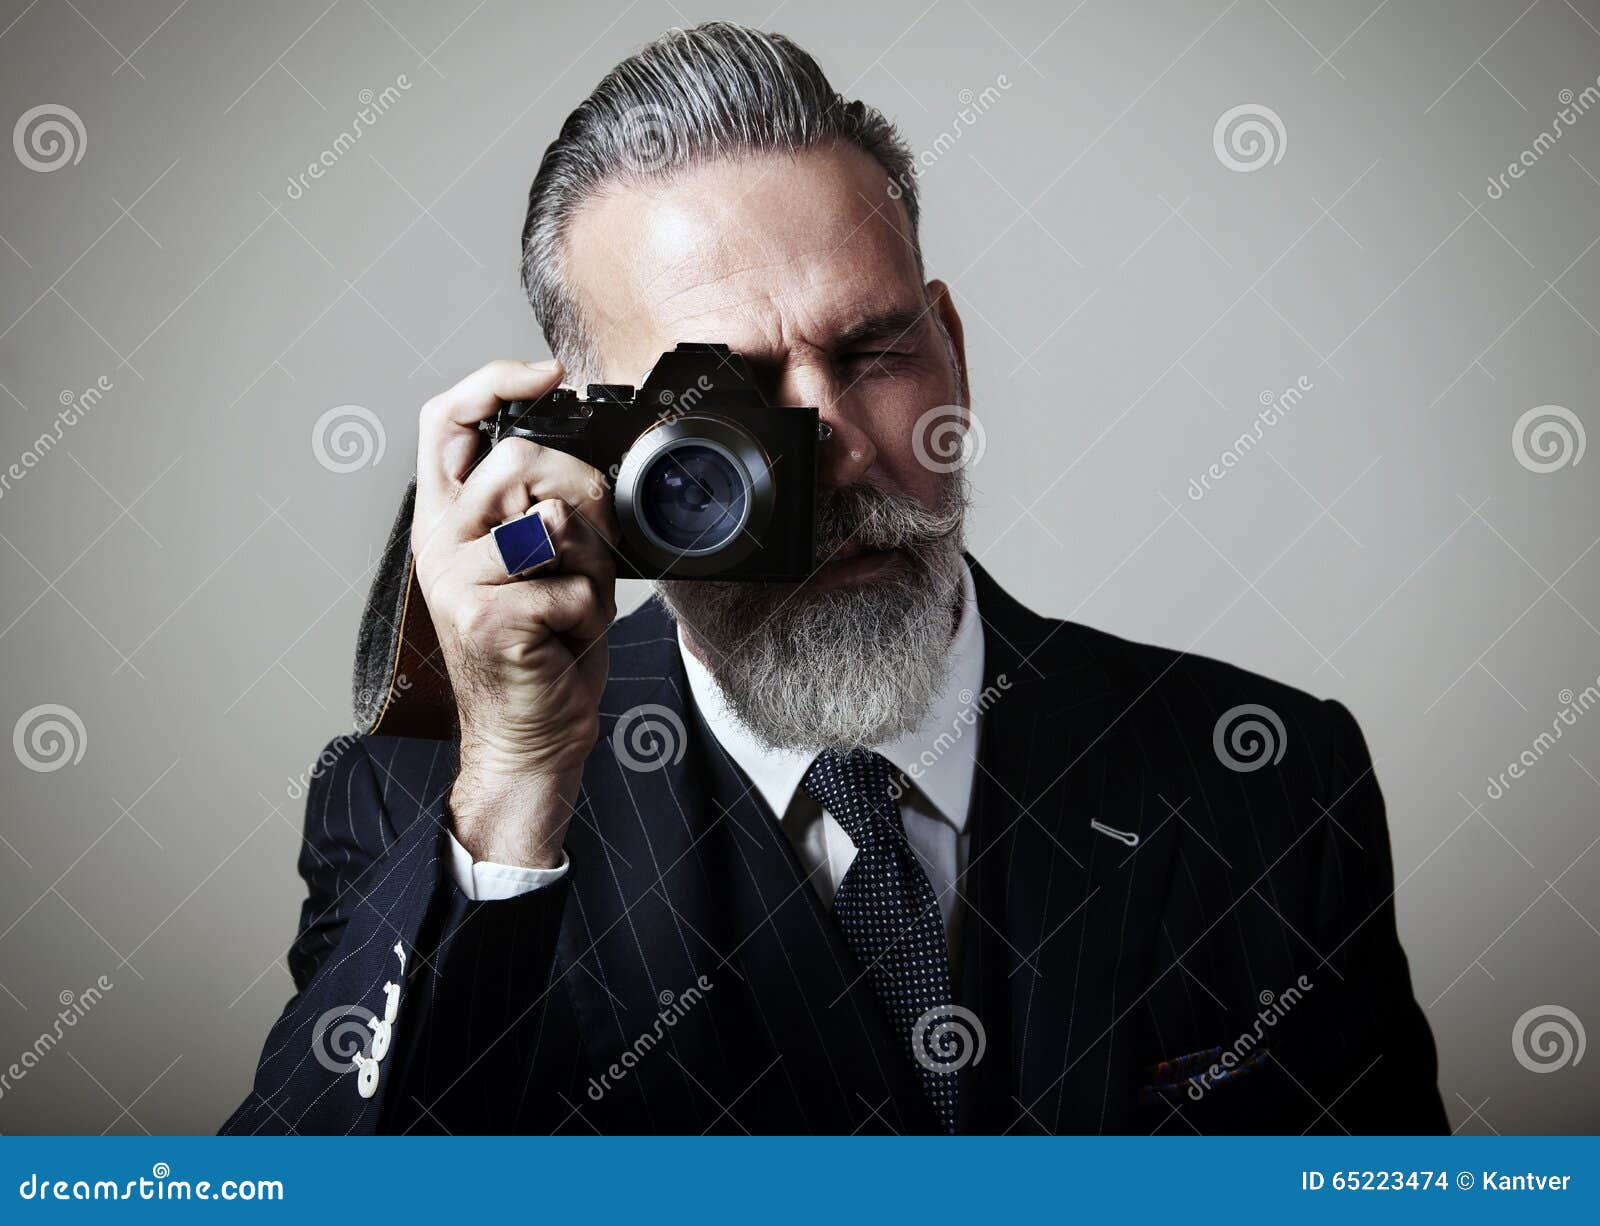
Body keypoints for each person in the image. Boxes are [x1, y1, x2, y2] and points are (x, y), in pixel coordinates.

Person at [225, 22, 1444, 1136]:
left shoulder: (1266, 774)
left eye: (873, 350)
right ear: (592, 453)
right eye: (729, 400)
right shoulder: (429, 808)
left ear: (952, 354)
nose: (841, 448)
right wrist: (513, 793)